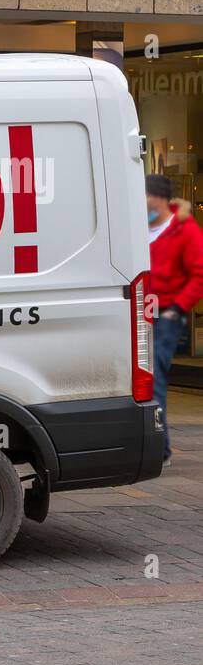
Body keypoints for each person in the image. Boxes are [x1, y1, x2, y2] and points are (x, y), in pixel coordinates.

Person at [145, 173, 203, 464]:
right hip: (140, 314)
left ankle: (162, 448)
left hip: (165, 315)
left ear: (161, 198)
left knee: (154, 378)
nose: (144, 202)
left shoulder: (184, 230)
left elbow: (199, 274)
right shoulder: (140, 227)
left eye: (147, 196)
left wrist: (177, 308)